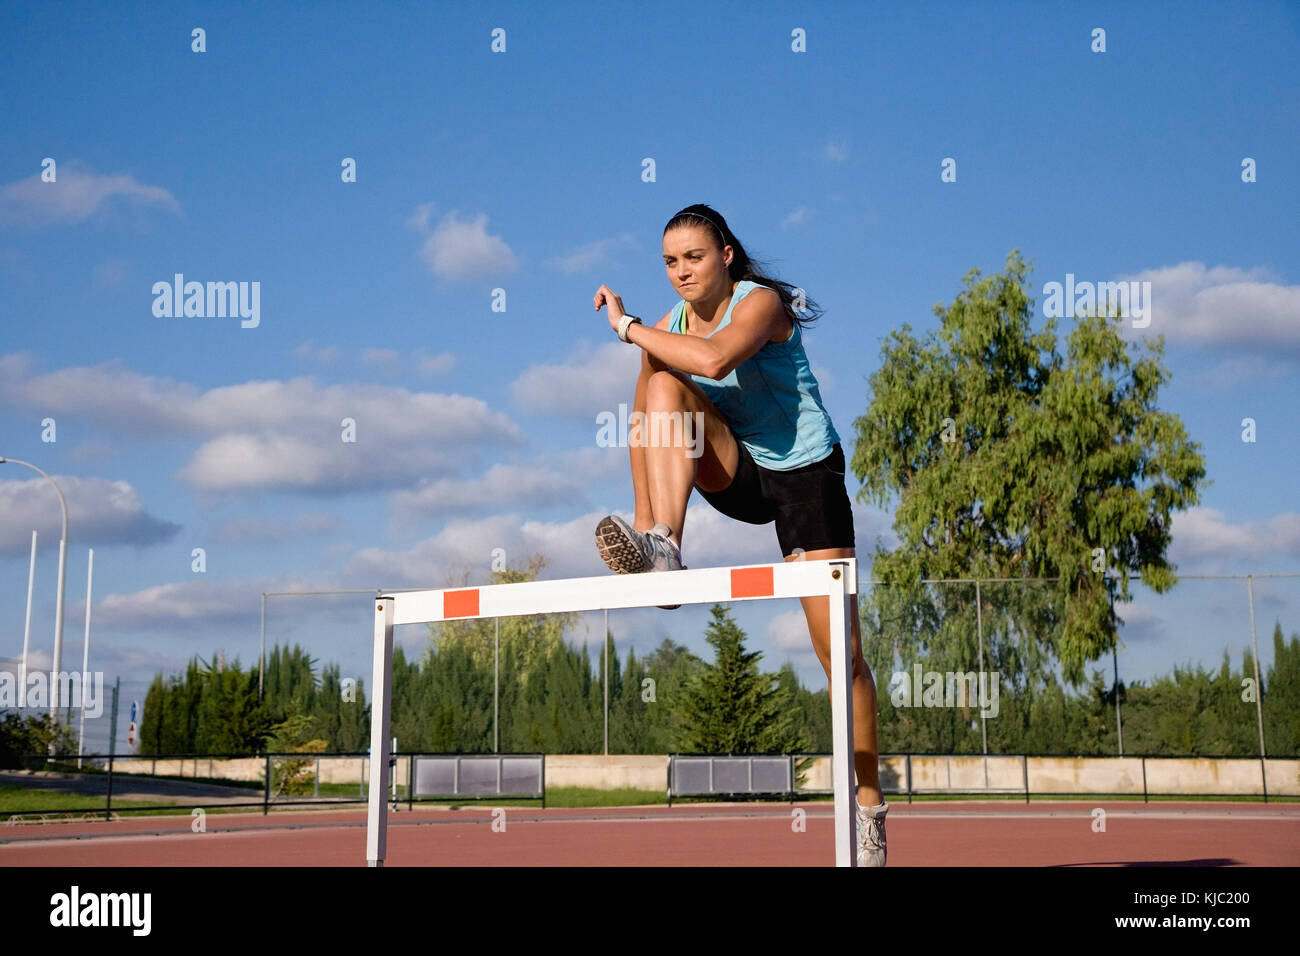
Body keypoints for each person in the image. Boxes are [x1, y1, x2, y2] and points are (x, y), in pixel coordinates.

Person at [591, 203, 888, 866]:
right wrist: (645, 532)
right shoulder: (668, 325)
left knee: (839, 653)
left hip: (805, 476)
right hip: (738, 469)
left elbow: (720, 359)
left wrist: (628, 327)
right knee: (660, 383)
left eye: (693, 257)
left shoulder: (763, 304)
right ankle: (661, 545)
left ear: (725, 254)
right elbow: (651, 419)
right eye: (670, 262)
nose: (682, 273)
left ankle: (868, 804)